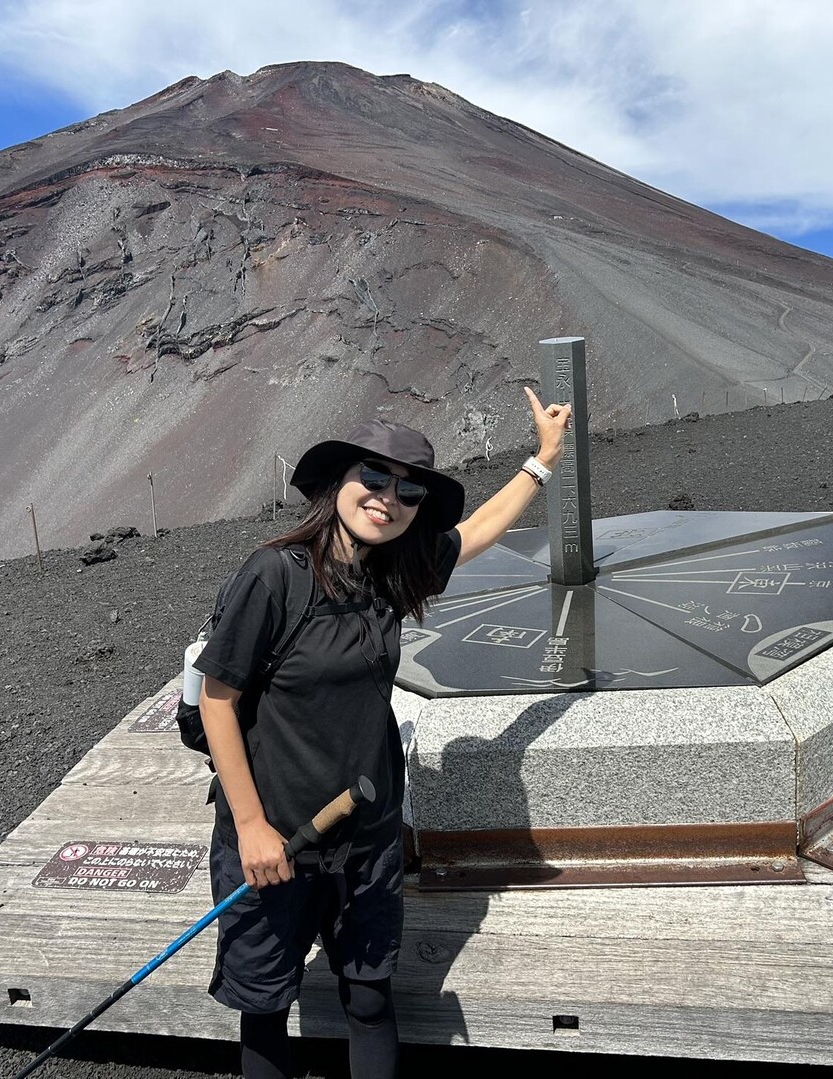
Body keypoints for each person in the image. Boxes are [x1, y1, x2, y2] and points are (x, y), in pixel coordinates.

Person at [195, 386, 571, 1079]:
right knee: (266, 1007)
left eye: (408, 490)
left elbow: (478, 532)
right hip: (276, 834)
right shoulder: (274, 576)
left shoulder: (391, 576)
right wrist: (249, 827)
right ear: (336, 481)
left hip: (366, 839)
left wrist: (542, 460)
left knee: (369, 997)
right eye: (372, 477)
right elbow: (218, 700)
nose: (387, 497)